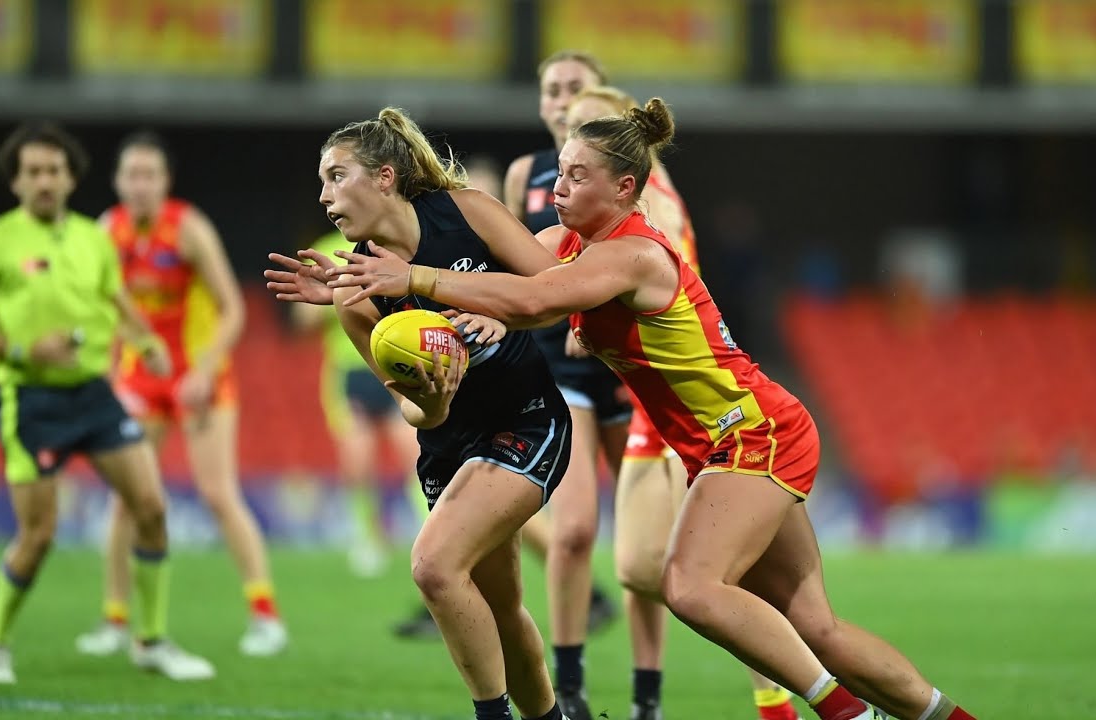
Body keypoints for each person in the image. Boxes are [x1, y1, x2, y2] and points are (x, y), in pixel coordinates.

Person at [327, 99, 978, 720]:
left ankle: (844, 711)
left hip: (752, 430)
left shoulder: (634, 253)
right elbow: (511, 285)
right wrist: (346, 285)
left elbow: (534, 300)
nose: (559, 187)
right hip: (725, 442)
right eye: (560, 171)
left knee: (690, 586)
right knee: (817, 630)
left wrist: (415, 279)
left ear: (624, 188)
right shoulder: (571, 245)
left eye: (578, 176)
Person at [264, 108, 575, 720]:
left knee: (434, 566)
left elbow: (562, 292)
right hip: (450, 446)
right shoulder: (353, 292)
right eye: (322, 182)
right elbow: (416, 415)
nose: (324, 195)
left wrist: (502, 314)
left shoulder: (467, 212)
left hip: (526, 419)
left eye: (336, 176)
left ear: (385, 177)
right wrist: (434, 396)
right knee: (501, 609)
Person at [0, 122, 214, 683]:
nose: (45, 181)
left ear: (70, 179)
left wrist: (145, 341)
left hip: (93, 395)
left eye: (54, 171)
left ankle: (150, 641)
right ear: (16, 181)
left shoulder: (94, 238)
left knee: (151, 508)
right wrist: (23, 348)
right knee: (38, 536)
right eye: (33, 172)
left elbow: (116, 298)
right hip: (30, 399)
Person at [563, 87, 798, 720]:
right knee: (641, 569)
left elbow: (649, 288)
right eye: (555, 99)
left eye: (578, 108)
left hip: (692, 403)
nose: (562, 112)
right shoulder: (564, 192)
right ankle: (651, 698)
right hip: (648, 399)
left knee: (699, 575)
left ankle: (776, 701)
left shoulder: (649, 209)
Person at [74, 131, 287, 658]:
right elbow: (100, 309)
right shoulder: (106, 232)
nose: (140, 185)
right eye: (131, 174)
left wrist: (204, 371)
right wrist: (105, 367)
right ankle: (114, 620)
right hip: (141, 378)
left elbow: (234, 308)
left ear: (165, 181)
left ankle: (265, 616)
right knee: (127, 501)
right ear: (117, 181)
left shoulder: (189, 229)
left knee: (218, 494)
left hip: (199, 375)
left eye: (150, 175)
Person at [503, 50, 623, 716]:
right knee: (573, 531)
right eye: (552, 89)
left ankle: (648, 691)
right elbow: (509, 266)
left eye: (576, 89)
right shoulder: (525, 174)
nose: (562, 100)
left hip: (629, 368)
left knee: (650, 554)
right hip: (559, 365)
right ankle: (570, 688)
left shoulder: (633, 175)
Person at [293, 230, 420, 579]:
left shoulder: (393, 244)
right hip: (350, 370)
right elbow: (302, 320)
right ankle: (368, 538)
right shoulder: (323, 250)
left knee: (414, 454)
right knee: (357, 462)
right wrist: (338, 292)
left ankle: (426, 528)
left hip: (394, 362)